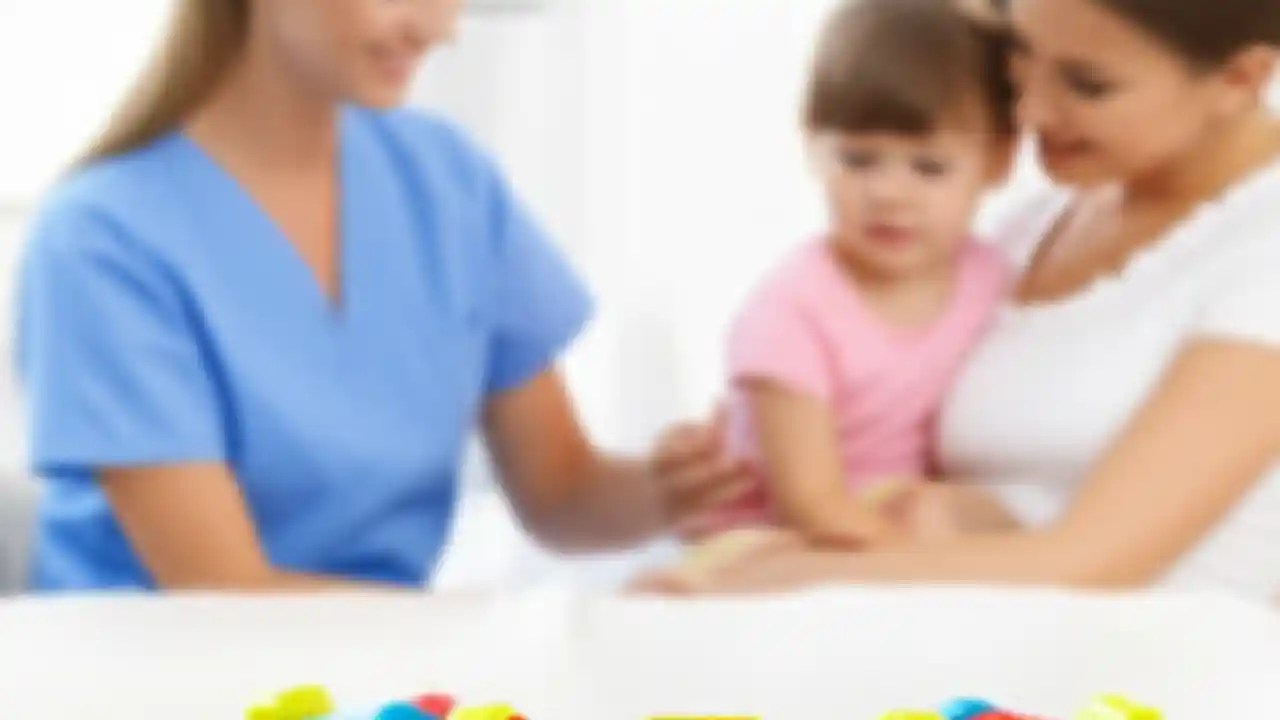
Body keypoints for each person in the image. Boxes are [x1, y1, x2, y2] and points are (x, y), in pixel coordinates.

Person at [17, 0, 744, 592]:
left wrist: (673, 490)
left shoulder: (449, 183)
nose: (440, 28)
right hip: (156, 687)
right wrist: (495, 640)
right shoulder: (102, 240)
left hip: (378, 671)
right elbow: (226, 597)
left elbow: (558, 492)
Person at [641, 0, 1280, 601]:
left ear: (1239, 77)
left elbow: (1089, 562)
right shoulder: (1031, 227)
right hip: (970, 645)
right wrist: (749, 455)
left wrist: (772, 579)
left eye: (1086, 85)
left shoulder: (1260, 244)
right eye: (1021, 61)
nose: (1028, 112)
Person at [680, 0, 1014, 563]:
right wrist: (919, 565)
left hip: (899, 515)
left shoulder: (992, 279)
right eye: (858, 160)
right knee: (740, 567)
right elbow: (808, 503)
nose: (888, 193)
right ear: (814, 148)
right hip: (781, 527)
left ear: (997, 163)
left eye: (928, 167)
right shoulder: (790, 311)